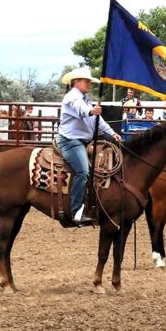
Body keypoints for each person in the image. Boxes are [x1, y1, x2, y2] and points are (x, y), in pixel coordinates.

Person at [54, 67, 121, 227]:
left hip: (83, 141)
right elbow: (83, 111)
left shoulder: (84, 98)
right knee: (83, 171)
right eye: (86, 81)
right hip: (70, 141)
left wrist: (112, 133)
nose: (89, 84)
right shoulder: (72, 97)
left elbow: (97, 120)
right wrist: (91, 111)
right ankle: (76, 211)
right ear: (76, 82)